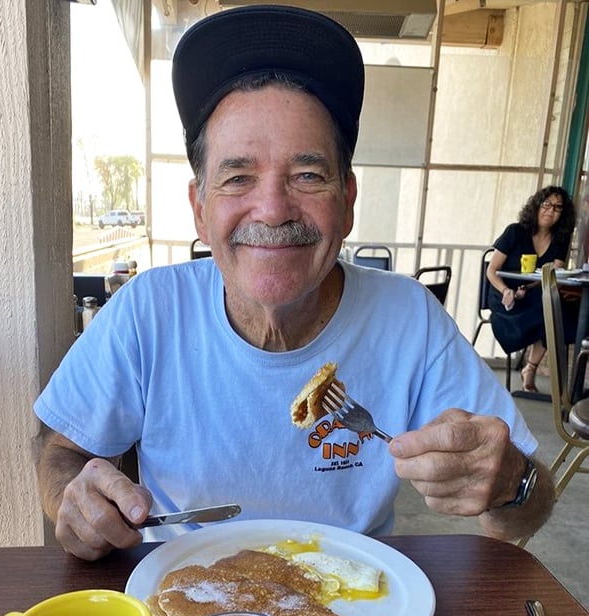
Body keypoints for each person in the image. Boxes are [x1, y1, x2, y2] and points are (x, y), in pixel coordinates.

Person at [33, 5, 555, 561]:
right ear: (199, 207)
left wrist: (510, 483)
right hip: (182, 602)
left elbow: (536, 503)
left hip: (359, 611)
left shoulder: (408, 317)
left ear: (347, 201)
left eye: (307, 175)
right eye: (238, 177)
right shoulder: (149, 311)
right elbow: (58, 450)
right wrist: (75, 496)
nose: (274, 209)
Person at [486, 186, 576, 393]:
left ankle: (531, 368)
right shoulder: (515, 232)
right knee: (549, 310)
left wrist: (528, 287)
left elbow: (552, 275)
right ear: (536, 206)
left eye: (557, 208)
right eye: (546, 204)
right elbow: (491, 270)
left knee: (556, 309)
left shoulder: (560, 239)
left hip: (531, 292)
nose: (550, 211)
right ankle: (532, 370)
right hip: (503, 294)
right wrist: (506, 291)